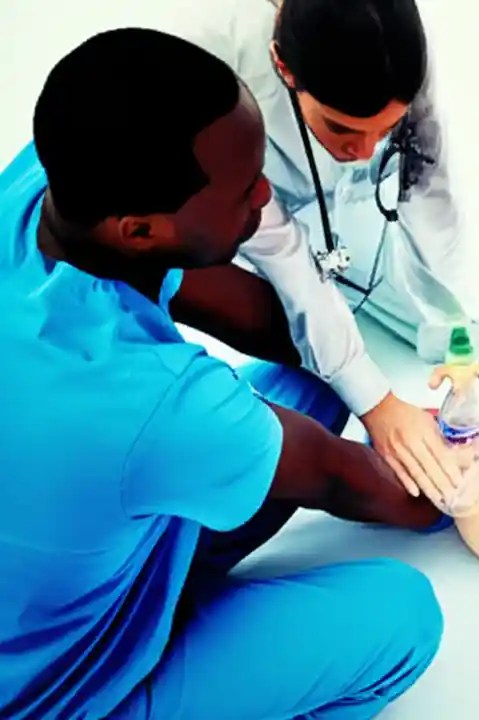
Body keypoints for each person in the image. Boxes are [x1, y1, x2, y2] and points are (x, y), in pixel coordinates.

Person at [0, 29, 447, 719]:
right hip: (52, 690)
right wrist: (463, 474)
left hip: (53, 570)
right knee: (404, 618)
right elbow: (342, 480)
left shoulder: (45, 190)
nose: (266, 193)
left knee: (316, 378)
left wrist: (369, 391)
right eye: (242, 190)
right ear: (139, 230)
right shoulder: (150, 400)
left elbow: (267, 323)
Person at [165, 0, 479, 504]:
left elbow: (430, 190)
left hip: (338, 206)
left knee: (424, 324)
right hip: (246, 211)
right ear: (283, 66)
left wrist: (455, 326)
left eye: (384, 131)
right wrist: (377, 405)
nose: (364, 152)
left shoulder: (396, 50)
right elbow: (281, 249)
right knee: (310, 351)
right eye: (342, 129)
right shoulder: (212, 59)